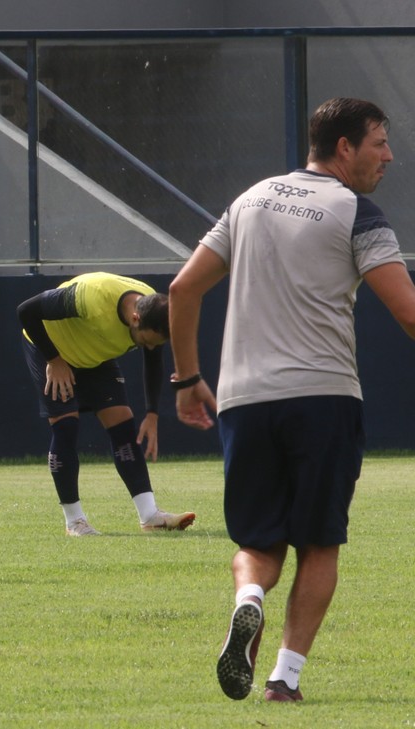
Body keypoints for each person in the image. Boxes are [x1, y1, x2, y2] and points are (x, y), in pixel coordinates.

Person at [169, 97, 415, 702]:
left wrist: (186, 378)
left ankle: (249, 597)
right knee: (319, 543)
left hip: (244, 399)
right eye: (379, 142)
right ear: (344, 148)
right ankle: (284, 679)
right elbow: (408, 313)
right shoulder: (357, 212)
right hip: (323, 398)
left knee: (257, 543)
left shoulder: (249, 200)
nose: (389, 155)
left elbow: (181, 289)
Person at [17, 271, 196, 536]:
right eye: (145, 341)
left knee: (123, 427)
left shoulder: (154, 309)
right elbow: (26, 310)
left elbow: (153, 359)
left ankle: (150, 516)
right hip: (53, 351)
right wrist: (54, 360)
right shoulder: (91, 297)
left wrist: (152, 414)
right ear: (135, 319)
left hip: (95, 354)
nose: (148, 347)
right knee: (66, 427)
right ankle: (74, 522)